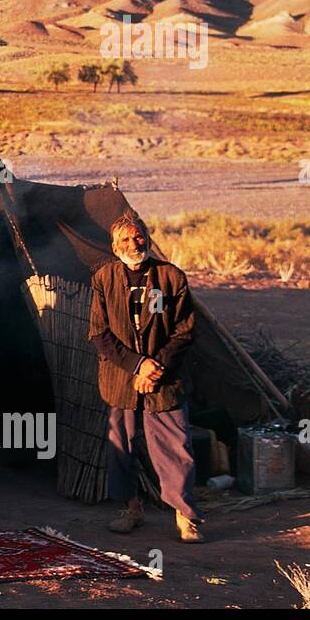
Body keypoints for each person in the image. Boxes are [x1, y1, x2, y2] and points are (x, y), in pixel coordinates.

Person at [89, 212, 205, 542]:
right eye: (125, 239)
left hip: (164, 377)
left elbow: (185, 331)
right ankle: (131, 508)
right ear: (114, 246)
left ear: (148, 238)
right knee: (120, 445)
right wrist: (138, 365)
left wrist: (156, 367)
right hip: (120, 375)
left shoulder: (171, 277)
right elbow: (99, 333)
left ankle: (185, 516)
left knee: (175, 446)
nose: (133, 243)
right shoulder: (105, 278)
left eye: (138, 236)